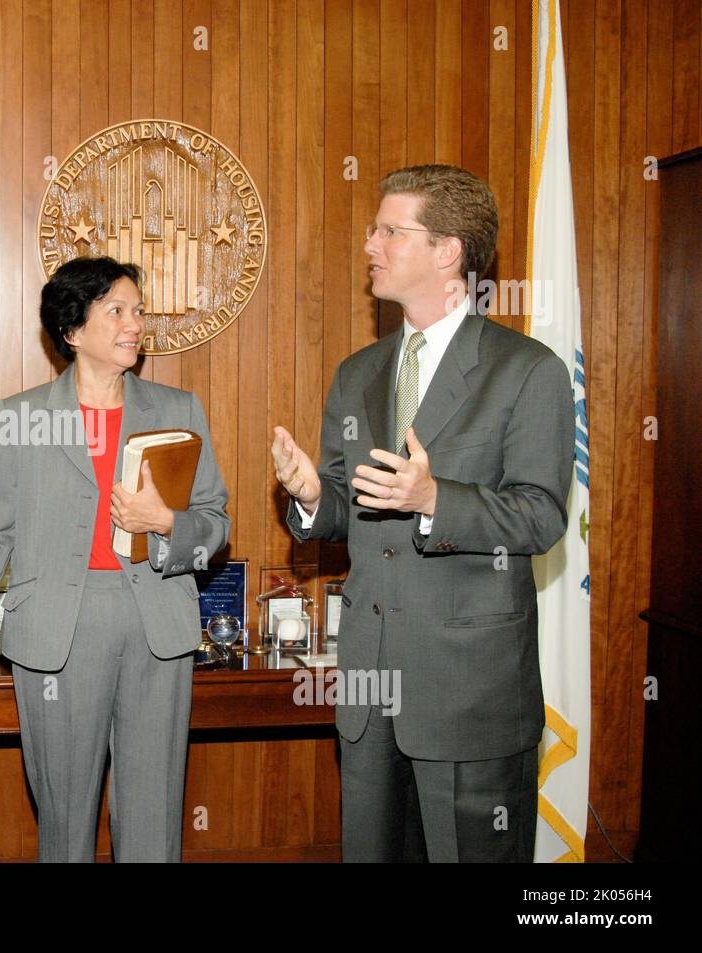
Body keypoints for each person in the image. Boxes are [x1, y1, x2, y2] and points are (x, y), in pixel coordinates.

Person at [271, 164, 574, 862]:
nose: (370, 244)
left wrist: (437, 499)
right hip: (370, 691)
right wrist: (313, 495)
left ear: (448, 251)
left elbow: (541, 515)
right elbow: (349, 503)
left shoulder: (528, 370)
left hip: (469, 696)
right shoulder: (358, 372)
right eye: (373, 229)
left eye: (389, 230)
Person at [0, 256, 229, 862]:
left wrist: (167, 525)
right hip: (57, 634)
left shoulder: (179, 410)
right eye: (117, 311)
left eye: (137, 310)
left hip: (159, 626)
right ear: (72, 331)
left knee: (155, 818)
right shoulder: (20, 418)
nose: (135, 324)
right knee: (65, 818)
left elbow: (215, 525)